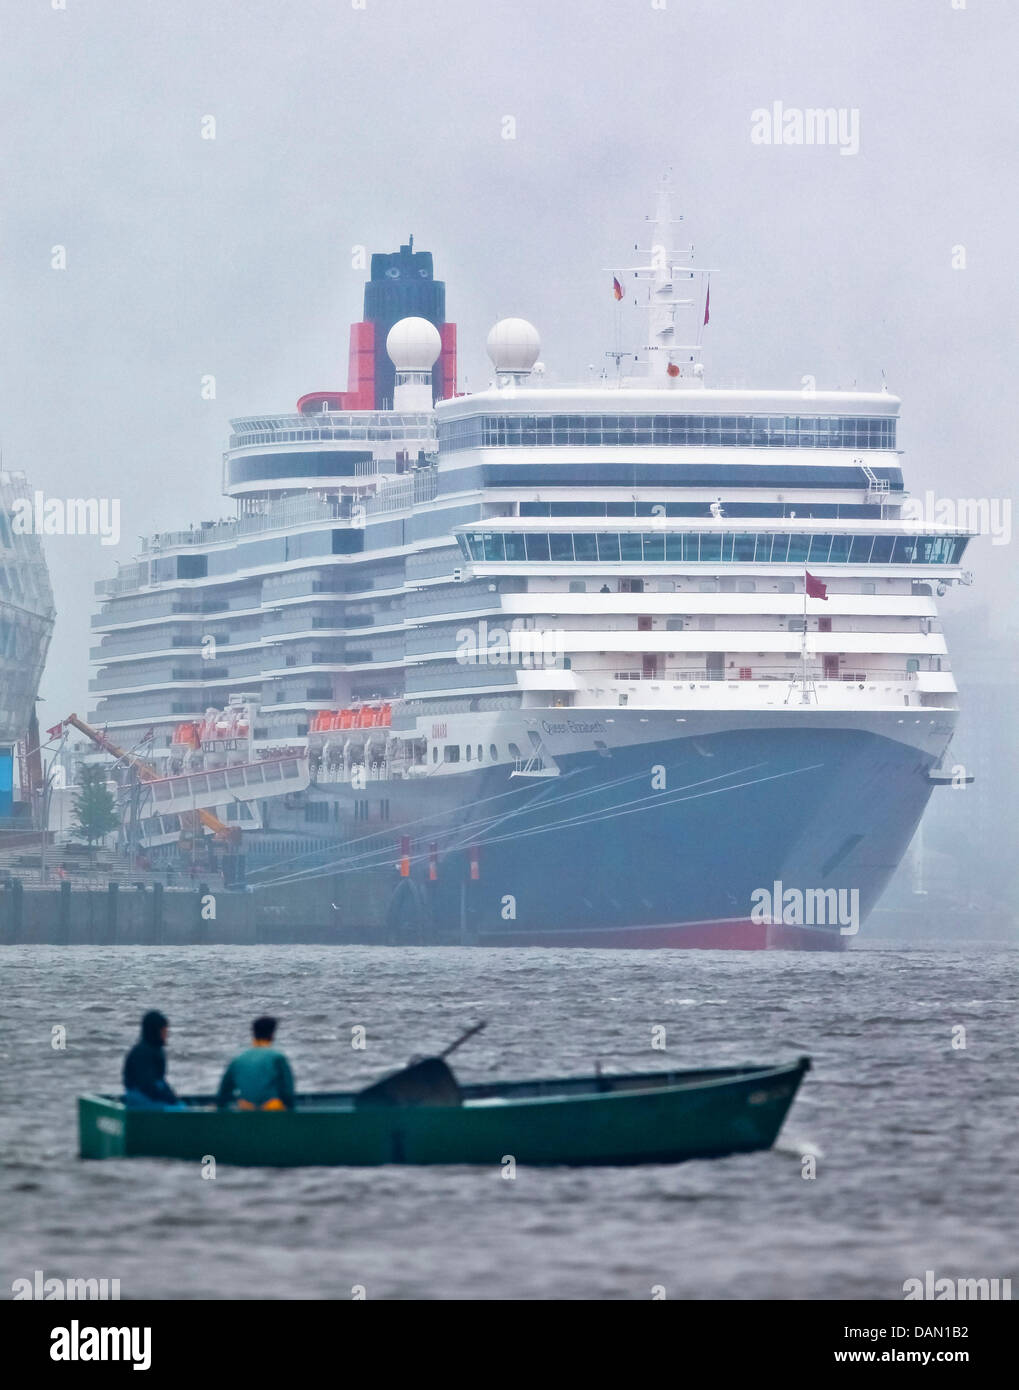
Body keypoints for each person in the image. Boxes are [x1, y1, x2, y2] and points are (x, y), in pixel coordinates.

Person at [216, 1016, 295, 1112]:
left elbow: (224, 1091)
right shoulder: (277, 1058)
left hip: (245, 1109)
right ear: (272, 1034)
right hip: (271, 1110)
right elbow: (287, 1092)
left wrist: (220, 1107)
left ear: (253, 1033)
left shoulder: (239, 1058)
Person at [122, 1010, 181, 1108]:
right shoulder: (142, 1053)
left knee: (179, 1106)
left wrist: (172, 1097)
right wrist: (168, 1098)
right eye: (164, 1031)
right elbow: (147, 1086)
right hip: (140, 1101)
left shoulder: (156, 1050)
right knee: (179, 1110)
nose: (166, 1035)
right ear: (155, 1031)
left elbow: (160, 1081)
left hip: (152, 1097)